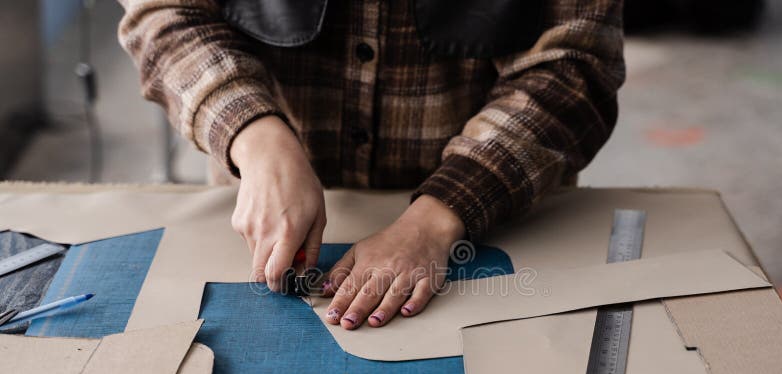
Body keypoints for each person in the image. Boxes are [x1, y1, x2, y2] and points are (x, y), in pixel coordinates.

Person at [118, 0, 625, 330]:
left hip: (500, 210)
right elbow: (165, 13)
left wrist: (437, 218)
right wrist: (255, 138)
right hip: (257, 193)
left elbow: (573, 66)